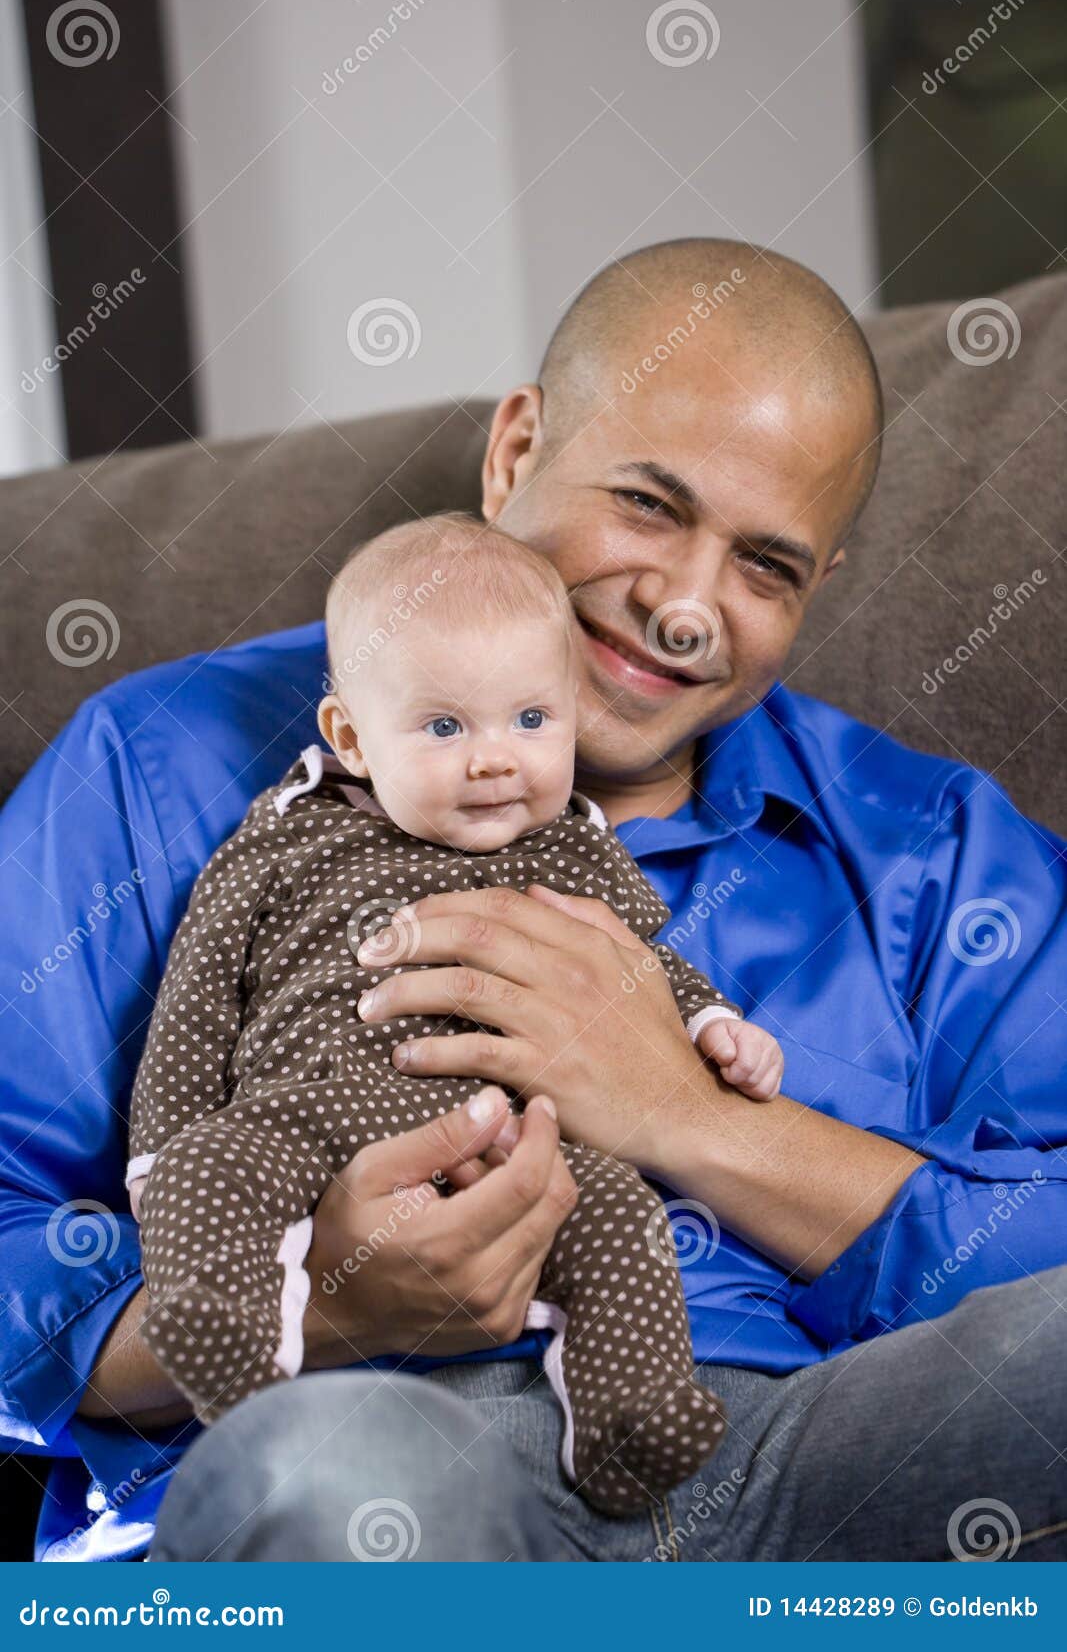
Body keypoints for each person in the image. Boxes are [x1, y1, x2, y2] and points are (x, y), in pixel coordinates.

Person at [2, 240, 1065, 1564]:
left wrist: (695, 1120)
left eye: (764, 567)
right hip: (390, 1449)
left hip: (815, 1453)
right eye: (647, 505)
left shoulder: (933, 851)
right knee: (348, 1481)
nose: (684, 609)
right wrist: (318, 1303)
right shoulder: (158, 766)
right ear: (513, 453)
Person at [127, 514, 782, 1510]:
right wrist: (160, 1153)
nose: (495, 760)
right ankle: (226, 1333)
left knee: (621, 1216)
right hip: (317, 1111)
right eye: (444, 727)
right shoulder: (282, 845)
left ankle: (631, 1415)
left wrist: (708, 1026)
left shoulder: (571, 849)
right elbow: (196, 1003)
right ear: (351, 737)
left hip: (519, 1137)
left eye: (531, 719)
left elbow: (643, 969)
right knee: (207, 1171)